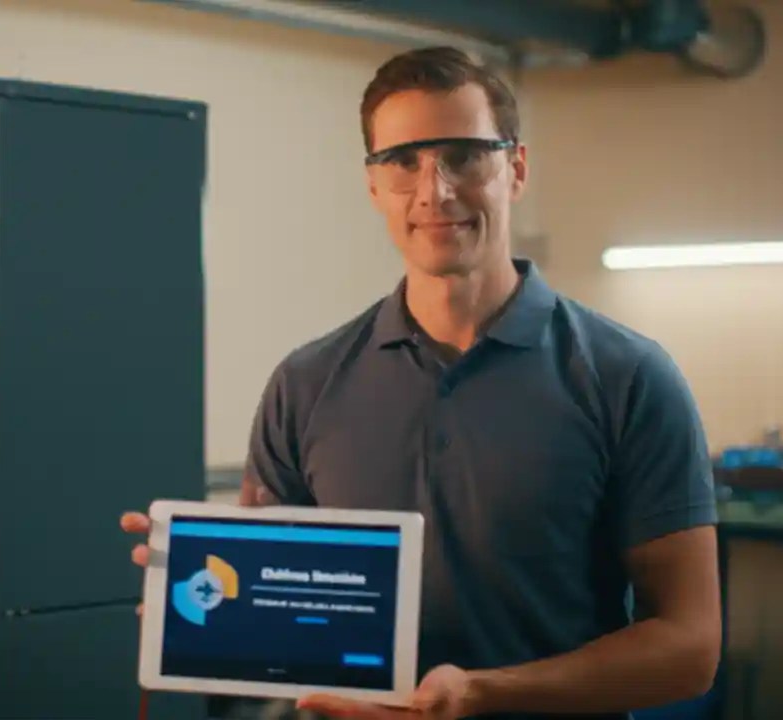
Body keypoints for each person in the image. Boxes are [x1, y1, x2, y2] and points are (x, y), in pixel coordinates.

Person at [121, 46, 721, 720]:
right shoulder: (305, 384)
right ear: (373, 185)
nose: (434, 191)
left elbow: (690, 646)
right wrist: (198, 603)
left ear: (516, 169)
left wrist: (481, 694)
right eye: (404, 162)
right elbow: (276, 614)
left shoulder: (628, 377)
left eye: (464, 156)